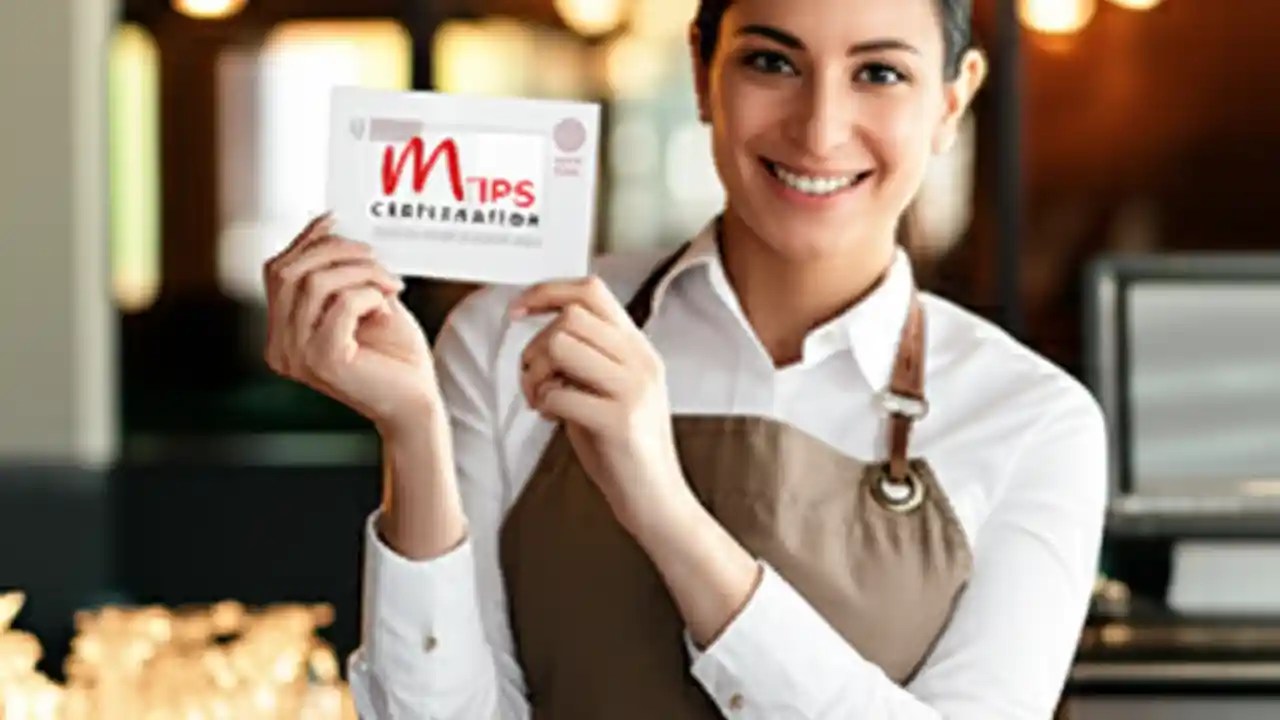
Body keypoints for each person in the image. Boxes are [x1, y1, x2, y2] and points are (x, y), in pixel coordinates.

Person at [262, 0, 1108, 717]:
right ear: (703, 72)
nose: (820, 130)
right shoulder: (505, 337)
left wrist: (663, 507)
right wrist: (413, 432)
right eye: (771, 62)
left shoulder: (1033, 421)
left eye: (879, 73)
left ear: (953, 101)